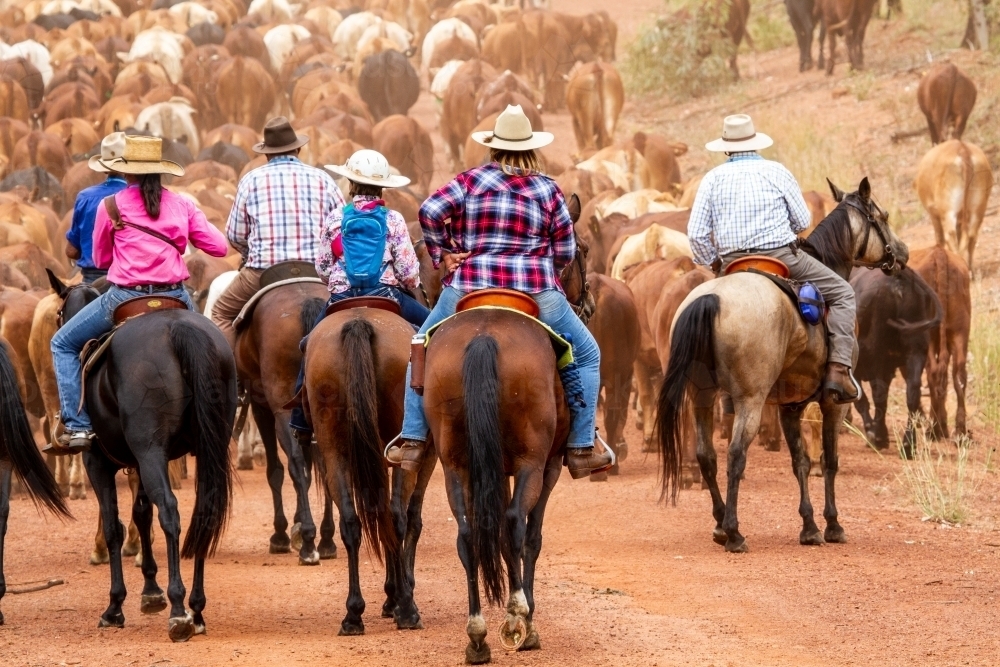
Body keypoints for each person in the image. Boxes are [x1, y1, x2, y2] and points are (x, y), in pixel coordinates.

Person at [384, 104, 612, 479]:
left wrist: (444, 254)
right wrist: (547, 268)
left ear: (493, 147)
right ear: (530, 148)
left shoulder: (469, 181)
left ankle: (411, 438)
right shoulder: (547, 188)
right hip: (534, 289)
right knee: (587, 353)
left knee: (421, 344)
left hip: (470, 285)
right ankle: (582, 445)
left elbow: (429, 211)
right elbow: (566, 250)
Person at [49, 134, 229, 454]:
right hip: (176, 296)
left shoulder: (111, 206)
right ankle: (222, 410)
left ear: (126, 172)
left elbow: (102, 260)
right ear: (160, 172)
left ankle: (77, 425)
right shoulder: (183, 203)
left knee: (62, 343)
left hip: (124, 298)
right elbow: (218, 247)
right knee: (213, 349)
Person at [687, 113, 859, 403]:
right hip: (781, 258)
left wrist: (716, 263)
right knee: (843, 293)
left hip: (733, 264)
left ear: (726, 148)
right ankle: (838, 370)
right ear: (755, 144)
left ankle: (725, 389)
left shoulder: (711, 179)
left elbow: (696, 235)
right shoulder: (777, 171)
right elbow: (803, 220)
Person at [288, 149, 429, 436]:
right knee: (435, 332)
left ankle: (301, 420)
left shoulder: (334, 219)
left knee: (308, 345)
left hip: (341, 299)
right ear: (383, 187)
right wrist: (403, 279)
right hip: (388, 296)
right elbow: (410, 274)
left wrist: (340, 281)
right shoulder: (394, 220)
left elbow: (323, 267)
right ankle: (431, 412)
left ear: (350, 184)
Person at [210, 116, 345, 349]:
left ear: (266, 153)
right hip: (317, 270)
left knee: (221, 313)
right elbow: (341, 228)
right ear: (298, 149)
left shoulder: (250, 180)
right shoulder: (324, 179)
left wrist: (249, 252)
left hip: (263, 271)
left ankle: (232, 382)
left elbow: (235, 234)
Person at [65, 133, 128, 283]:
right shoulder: (138, 197)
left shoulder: (85, 197)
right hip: (129, 278)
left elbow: (71, 251)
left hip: (92, 278)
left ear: (104, 168)